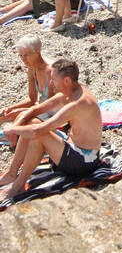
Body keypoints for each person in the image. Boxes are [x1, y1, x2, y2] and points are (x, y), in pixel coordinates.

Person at [0, 57, 103, 199]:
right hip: (72, 148)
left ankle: (18, 186)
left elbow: (38, 130)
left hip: (85, 160)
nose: (50, 83)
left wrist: (11, 130)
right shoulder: (68, 93)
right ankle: (11, 174)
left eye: (53, 79)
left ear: (66, 81)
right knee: (32, 121)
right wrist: (18, 122)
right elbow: (36, 110)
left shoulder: (78, 103)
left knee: (38, 134)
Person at [0, 35, 52, 144]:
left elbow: (51, 104)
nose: (23, 59)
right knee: (6, 114)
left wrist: (20, 111)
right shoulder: (32, 68)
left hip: (55, 110)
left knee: (19, 116)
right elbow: (32, 98)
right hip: (42, 107)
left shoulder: (50, 71)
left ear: (38, 52)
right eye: (21, 55)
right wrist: (10, 108)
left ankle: (12, 136)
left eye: (26, 55)